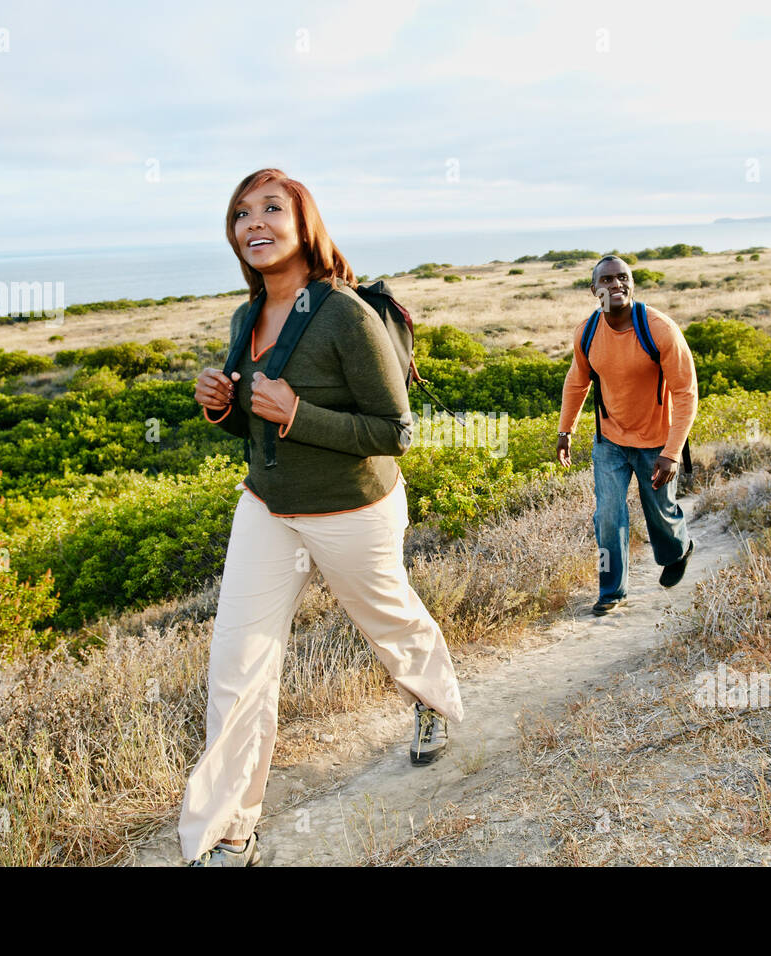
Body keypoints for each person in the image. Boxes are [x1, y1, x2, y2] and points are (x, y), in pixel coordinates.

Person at [179, 168, 463, 867]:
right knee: (237, 669)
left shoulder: (344, 314)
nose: (254, 224)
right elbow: (255, 424)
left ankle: (433, 701)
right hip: (267, 507)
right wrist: (221, 405)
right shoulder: (249, 317)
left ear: (305, 224)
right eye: (241, 214)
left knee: (388, 617)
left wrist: (300, 414)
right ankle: (227, 835)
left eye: (271, 209)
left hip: (352, 507)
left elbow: (394, 431)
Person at [555, 255, 699, 616]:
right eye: (606, 280)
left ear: (631, 283)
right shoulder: (587, 333)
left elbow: (685, 392)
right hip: (610, 442)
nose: (615, 284)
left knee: (660, 511)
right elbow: (577, 382)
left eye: (623, 277)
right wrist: (565, 430)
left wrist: (672, 451)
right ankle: (611, 590)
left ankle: (678, 549)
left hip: (657, 441)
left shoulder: (659, 329)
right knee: (607, 515)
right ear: (594, 290)